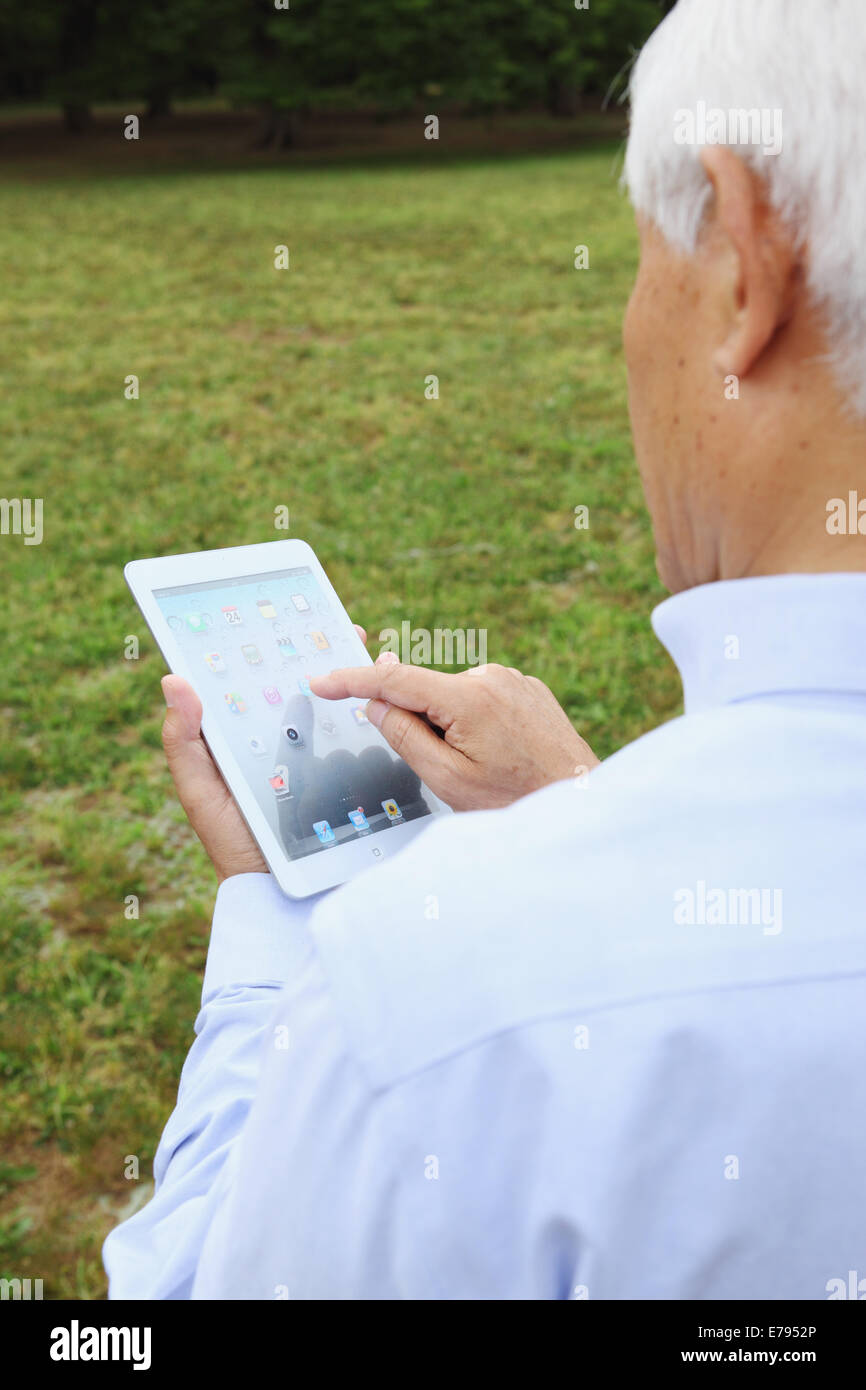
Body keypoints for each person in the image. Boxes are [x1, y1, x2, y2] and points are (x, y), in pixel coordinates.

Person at [104, 0, 866, 1299]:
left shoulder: (426, 1005)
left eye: (640, 265)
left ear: (747, 259)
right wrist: (588, 809)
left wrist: (272, 930)